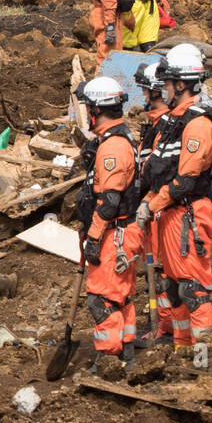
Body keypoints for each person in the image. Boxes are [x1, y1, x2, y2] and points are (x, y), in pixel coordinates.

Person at [137, 44, 212, 354]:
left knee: (192, 289)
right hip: (171, 214)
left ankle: (203, 362)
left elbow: (185, 180)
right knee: (173, 287)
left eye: (169, 83)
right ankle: (183, 353)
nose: (164, 89)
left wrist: (151, 205)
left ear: (182, 84)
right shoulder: (173, 121)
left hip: (188, 214)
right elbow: (156, 169)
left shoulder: (197, 122)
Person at [73, 79, 143, 373]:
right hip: (122, 232)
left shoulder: (113, 147)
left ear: (96, 110)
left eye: (89, 108)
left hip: (114, 233)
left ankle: (108, 360)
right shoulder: (114, 140)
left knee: (101, 300)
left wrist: (93, 236)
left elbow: (109, 200)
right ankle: (126, 356)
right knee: (121, 297)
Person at [135, 60, 173, 341]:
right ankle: (161, 324)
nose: (144, 97)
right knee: (156, 268)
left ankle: (165, 327)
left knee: (161, 268)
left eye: (146, 91)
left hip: (159, 207)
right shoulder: (156, 125)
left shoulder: (165, 127)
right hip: (153, 205)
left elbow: (155, 169)